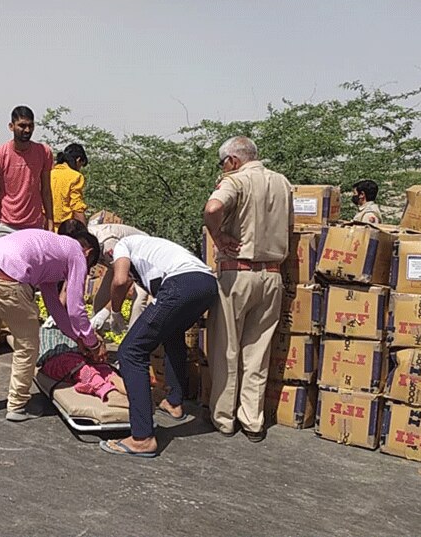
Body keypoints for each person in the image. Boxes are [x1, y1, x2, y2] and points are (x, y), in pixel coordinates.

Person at [203, 136, 292, 443]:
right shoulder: (283, 183)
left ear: (233, 161)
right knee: (258, 351)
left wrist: (217, 236)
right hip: (272, 276)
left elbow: (213, 207)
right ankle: (253, 420)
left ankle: (224, 418)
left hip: (237, 273)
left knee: (226, 347)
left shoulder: (236, 181)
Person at [0, 228, 105, 422]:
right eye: (88, 266)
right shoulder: (77, 252)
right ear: (88, 252)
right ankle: (17, 404)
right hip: (8, 277)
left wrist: (76, 337)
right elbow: (76, 308)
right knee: (27, 344)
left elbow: (54, 306)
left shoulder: (52, 251)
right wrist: (93, 343)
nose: (83, 270)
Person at [97, 235, 218, 458]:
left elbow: (120, 281)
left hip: (181, 282)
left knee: (130, 352)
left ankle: (142, 437)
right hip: (207, 284)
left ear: (110, 254)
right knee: (172, 334)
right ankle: (174, 402)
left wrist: (114, 312)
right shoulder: (151, 254)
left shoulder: (123, 245)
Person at [56, 219, 151, 329]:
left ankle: (134, 340)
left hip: (143, 262)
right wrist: (57, 314)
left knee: (139, 303)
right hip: (118, 263)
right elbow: (70, 278)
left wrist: (108, 311)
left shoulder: (107, 243)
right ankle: (97, 335)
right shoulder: (81, 242)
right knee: (100, 301)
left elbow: (126, 279)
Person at [0, 106, 54, 242]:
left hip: (34, 226)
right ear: (11, 126)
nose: (27, 130)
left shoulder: (44, 152)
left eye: (30, 126)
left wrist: (50, 224)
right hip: (7, 225)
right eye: (22, 126)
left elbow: (46, 191)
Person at [39, 350, 128, 407]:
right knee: (82, 368)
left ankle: (125, 387)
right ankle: (108, 392)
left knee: (104, 369)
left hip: (82, 355)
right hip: (56, 358)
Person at [50, 144, 89, 230]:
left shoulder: (49, 173)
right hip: (64, 230)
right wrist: (84, 233)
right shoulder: (75, 176)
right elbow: (76, 207)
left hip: (45, 226)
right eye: (81, 165)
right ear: (78, 160)